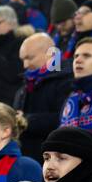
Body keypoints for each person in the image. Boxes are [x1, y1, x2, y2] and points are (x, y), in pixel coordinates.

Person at [15, 32, 73, 162]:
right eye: (23, 59)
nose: (25, 65)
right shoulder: (24, 86)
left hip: (54, 158)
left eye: (30, 58)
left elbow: (64, 119)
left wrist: (27, 121)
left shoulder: (67, 81)